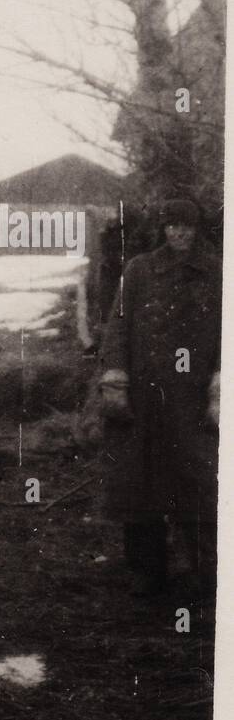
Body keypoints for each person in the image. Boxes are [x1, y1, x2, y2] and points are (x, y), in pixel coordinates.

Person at [99, 196, 220, 599]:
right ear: (162, 229)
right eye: (171, 226)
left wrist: (219, 387)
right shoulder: (140, 271)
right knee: (141, 485)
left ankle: (210, 574)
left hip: (193, 401)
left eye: (185, 226)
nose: (178, 233)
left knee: (200, 483)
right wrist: (116, 379)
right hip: (145, 397)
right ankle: (148, 573)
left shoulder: (217, 272)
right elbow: (117, 326)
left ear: (198, 228)